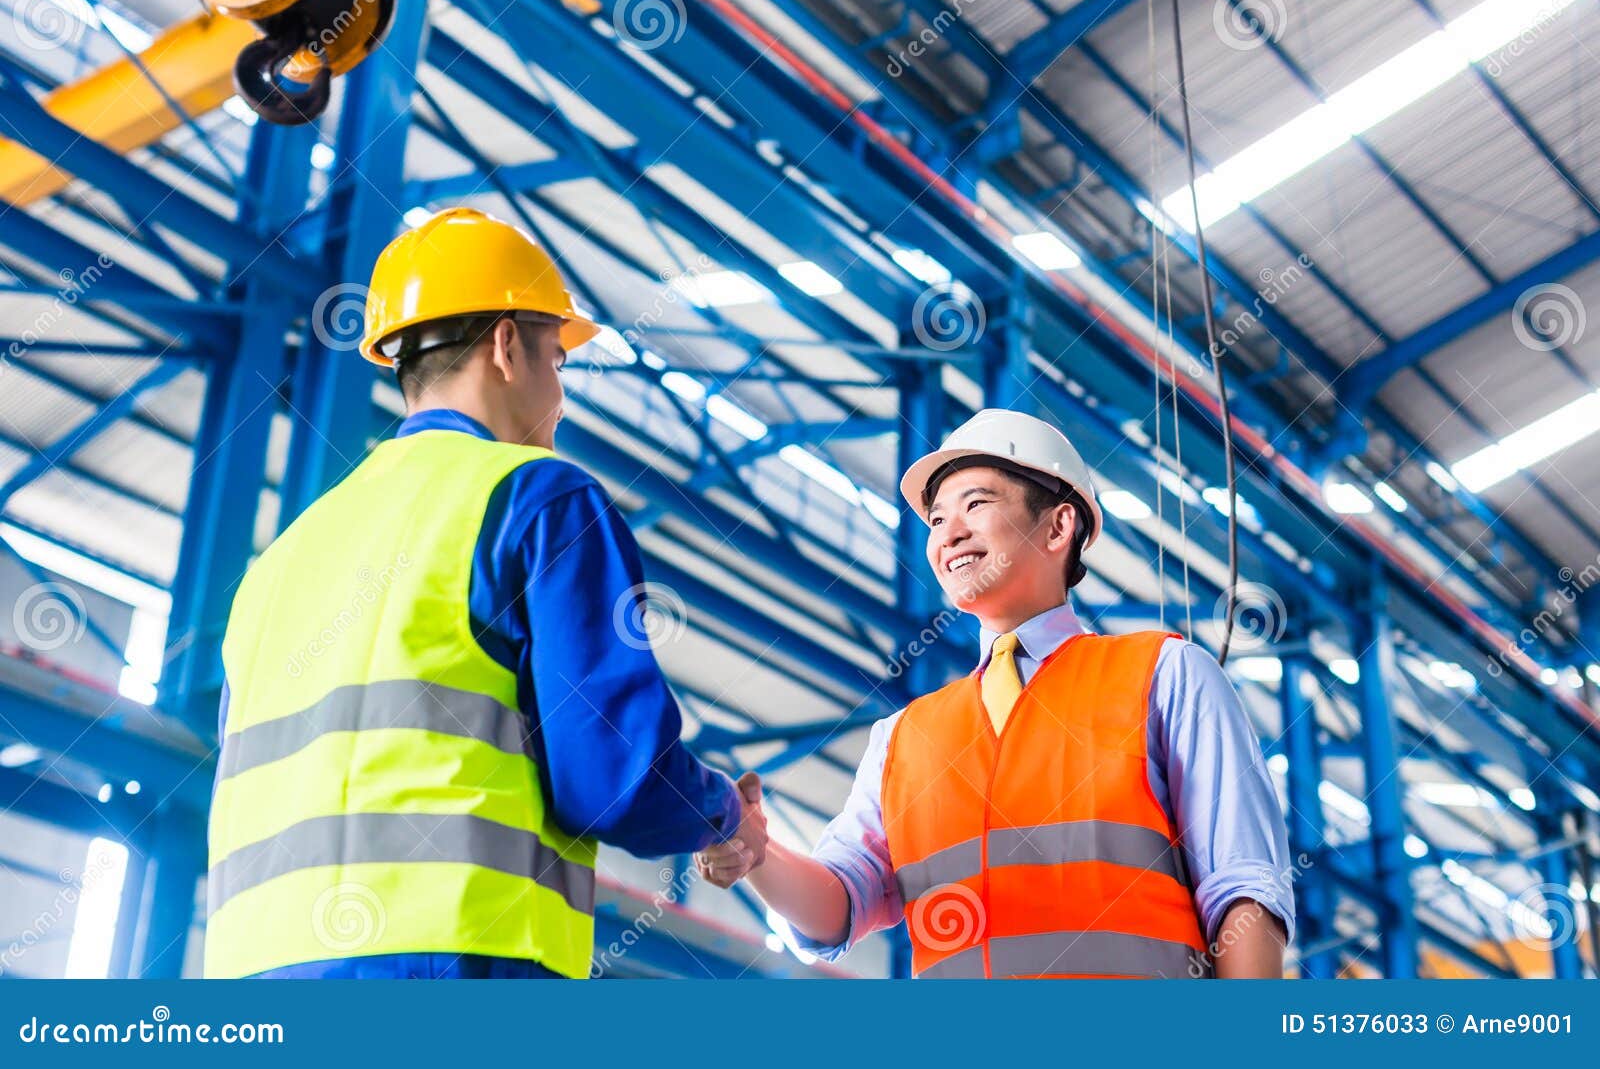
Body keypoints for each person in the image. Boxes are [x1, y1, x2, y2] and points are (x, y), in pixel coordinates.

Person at [205, 207, 762, 979]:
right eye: (558, 361)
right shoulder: (540, 497)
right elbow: (611, 778)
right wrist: (722, 813)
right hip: (453, 960)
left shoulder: (278, 561)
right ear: (507, 345)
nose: (559, 395)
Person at [697, 409, 1294, 978]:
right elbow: (838, 906)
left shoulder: (1165, 675)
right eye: (935, 520)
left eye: (976, 504)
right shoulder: (903, 738)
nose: (949, 533)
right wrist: (757, 852)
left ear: (1058, 526)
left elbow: (1243, 888)